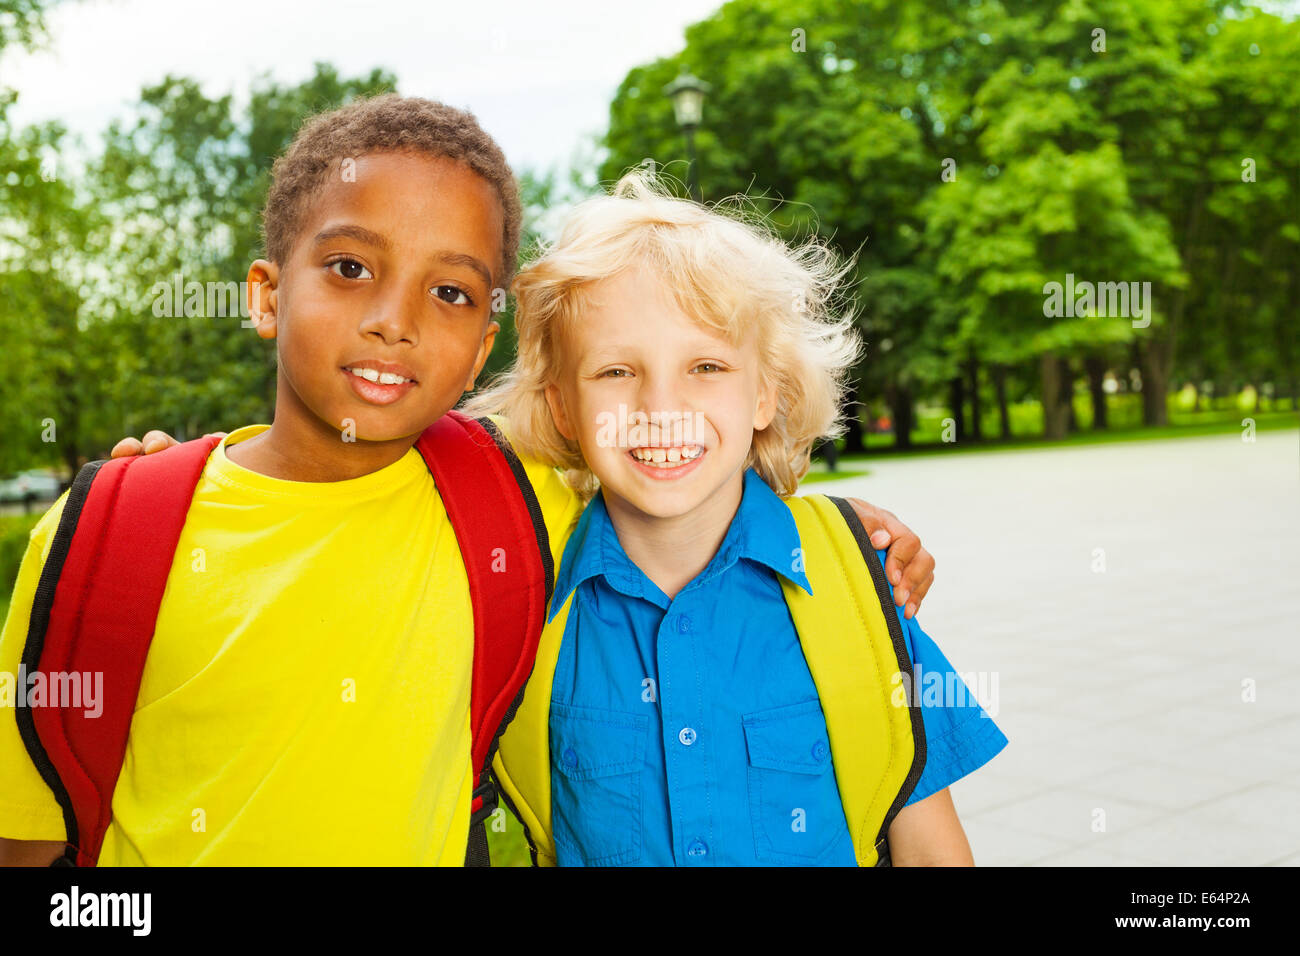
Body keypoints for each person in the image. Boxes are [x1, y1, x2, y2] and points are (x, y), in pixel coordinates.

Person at [0, 96, 935, 866]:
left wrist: (843, 533)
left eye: (449, 292)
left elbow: (672, 480)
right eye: (349, 267)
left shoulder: (515, 504)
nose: (394, 322)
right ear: (266, 293)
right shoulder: (110, 538)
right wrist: (149, 488)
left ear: (483, 342)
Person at [466, 172, 1006, 866]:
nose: (664, 408)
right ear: (564, 409)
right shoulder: (526, 614)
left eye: (707, 366)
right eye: (616, 372)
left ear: (764, 397)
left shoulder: (860, 590)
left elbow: (931, 849)